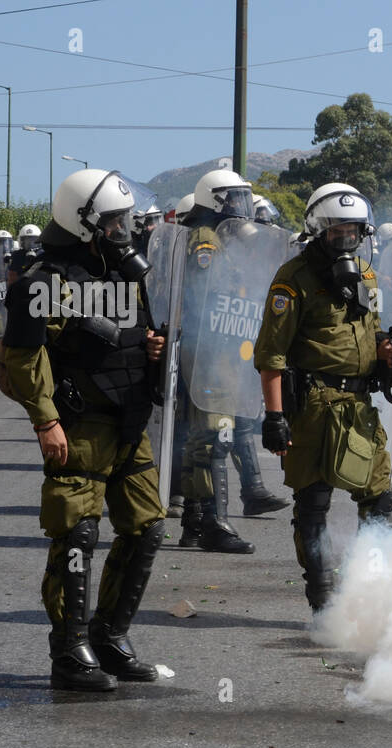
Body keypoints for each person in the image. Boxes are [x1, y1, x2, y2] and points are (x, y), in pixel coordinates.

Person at [0, 168, 167, 690]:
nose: (125, 230)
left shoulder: (123, 273)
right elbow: (21, 359)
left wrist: (150, 347)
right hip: (80, 425)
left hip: (129, 420)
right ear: (84, 221)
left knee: (146, 528)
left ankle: (111, 636)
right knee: (78, 532)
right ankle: (69, 650)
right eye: (114, 222)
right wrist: (45, 421)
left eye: (125, 220)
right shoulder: (47, 280)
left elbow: (134, 334)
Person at [253, 182, 392, 612]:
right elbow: (271, 355)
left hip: (359, 406)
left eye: (353, 231)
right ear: (319, 230)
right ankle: (324, 600)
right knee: (313, 503)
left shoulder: (367, 277)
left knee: (379, 498)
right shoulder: (293, 279)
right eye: (337, 231)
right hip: (314, 406)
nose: (345, 239)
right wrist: (274, 416)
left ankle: (377, 594)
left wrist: (387, 353)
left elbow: (370, 331)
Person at [175, 169, 258, 554]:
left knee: (201, 440)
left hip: (214, 348)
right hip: (210, 348)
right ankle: (215, 524)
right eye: (233, 199)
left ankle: (193, 523)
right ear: (214, 201)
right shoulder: (206, 241)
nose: (241, 207)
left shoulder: (215, 238)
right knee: (214, 437)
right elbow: (207, 292)